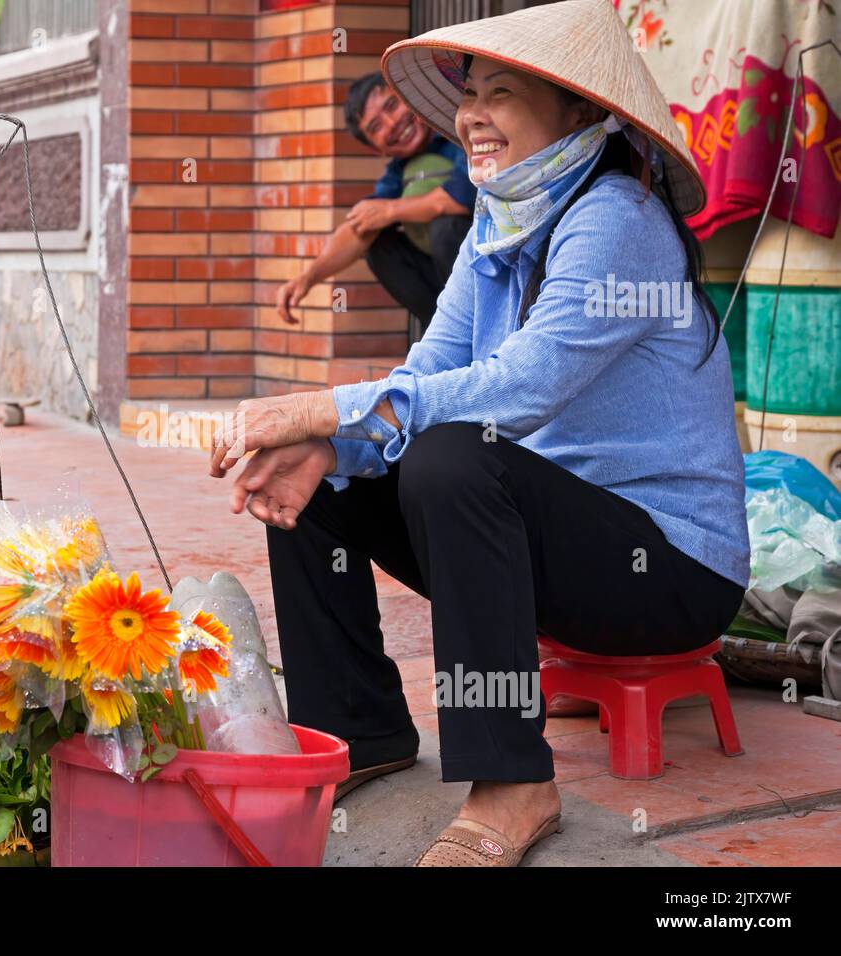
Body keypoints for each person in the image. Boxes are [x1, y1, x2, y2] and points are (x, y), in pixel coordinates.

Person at [208, 0, 749, 867]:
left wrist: (322, 407)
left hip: (670, 572)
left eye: (503, 93)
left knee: (454, 451)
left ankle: (513, 782)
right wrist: (324, 440)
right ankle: (358, 730)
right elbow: (426, 373)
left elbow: (520, 389)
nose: (471, 116)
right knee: (317, 469)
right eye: (470, 95)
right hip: (551, 546)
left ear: (579, 112)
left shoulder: (614, 217)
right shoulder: (499, 220)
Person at [275, 73, 475, 330]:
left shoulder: (459, 125)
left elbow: (456, 199)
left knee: (444, 227)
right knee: (379, 243)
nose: (391, 123)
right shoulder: (398, 171)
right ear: (378, 150)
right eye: (376, 127)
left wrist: (391, 210)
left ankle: (481, 326)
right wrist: (307, 278)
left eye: (392, 105)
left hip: (499, 270)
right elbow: (360, 224)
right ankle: (444, 333)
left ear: (410, 95)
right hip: (452, 284)